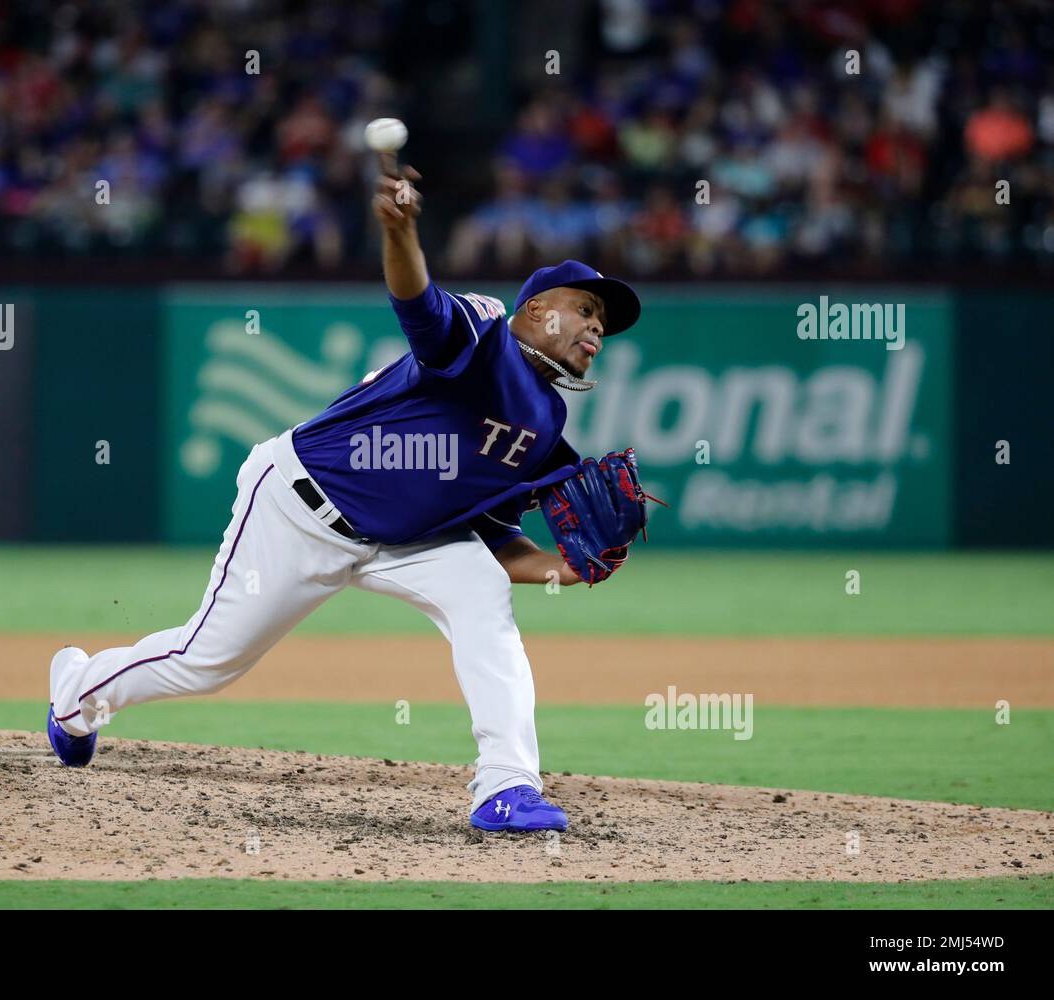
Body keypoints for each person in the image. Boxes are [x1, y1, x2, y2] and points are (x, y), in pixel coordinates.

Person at [47, 161, 642, 832]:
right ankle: (76, 692)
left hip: (406, 543)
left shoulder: (548, 428)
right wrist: (400, 232)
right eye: (586, 309)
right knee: (206, 663)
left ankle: (506, 789)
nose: (597, 328)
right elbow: (417, 302)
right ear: (537, 308)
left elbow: (498, 538)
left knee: (484, 597)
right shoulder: (482, 334)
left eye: (604, 323)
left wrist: (563, 568)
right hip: (299, 508)